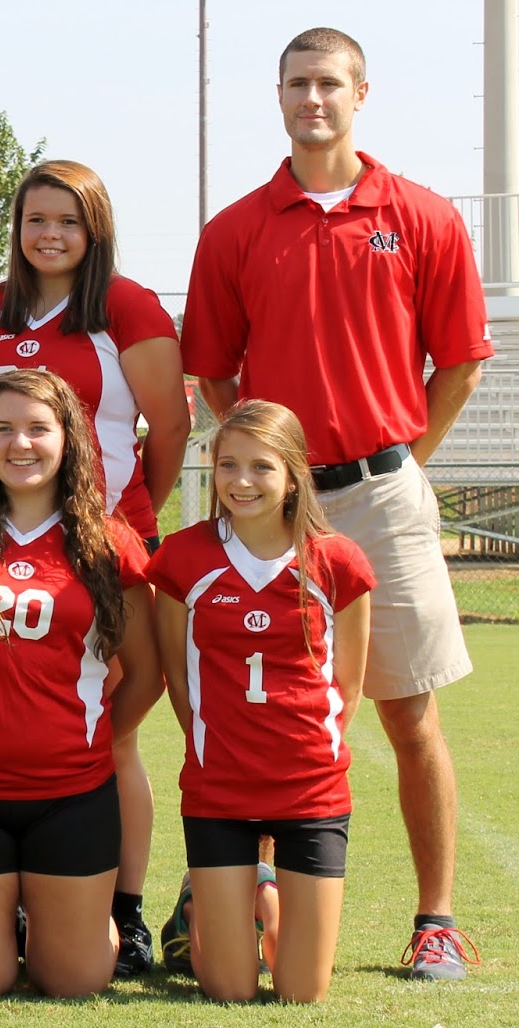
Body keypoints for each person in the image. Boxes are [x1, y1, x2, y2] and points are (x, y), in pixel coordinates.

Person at [182, 25, 491, 980]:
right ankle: (247, 895)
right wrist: (267, 473)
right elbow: (212, 377)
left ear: (362, 93)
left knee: (407, 714)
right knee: (256, 713)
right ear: (277, 97)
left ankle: (434, 919)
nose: (312, 99)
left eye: (329, 83)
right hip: (270, 511)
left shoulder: (423, 214)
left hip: (383, 498)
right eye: (296, 84)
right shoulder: (235, 228)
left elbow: (463, 365)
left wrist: (398, 463)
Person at [0, 159, 189, 974]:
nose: (51, 235)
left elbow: (170, 431)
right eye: (36, 219)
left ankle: (125, 906)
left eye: (69, 221)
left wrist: (112, 524)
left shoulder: (127, 308)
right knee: (11, 714)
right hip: (5, 544)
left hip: (103, 552)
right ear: (16, 228)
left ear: (96, 230)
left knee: (111, 739)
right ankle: (17, 906)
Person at [0, 369, 160, 999]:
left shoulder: (107, 540)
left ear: (69, 438)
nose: (21, 444)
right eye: (3, 427)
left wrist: (97, 737)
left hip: (72, 793)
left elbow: (147, 671)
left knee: (74, 981)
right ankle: (4, 916)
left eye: (39, 428)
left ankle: (81, 920)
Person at [149, 400, 373, 1002]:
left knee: (302, 992)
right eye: (227, 465)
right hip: (218, 790)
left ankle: (264, 893)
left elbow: (345, 687)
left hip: (311, 791)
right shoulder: (183, 557)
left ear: (294, 473)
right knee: (229, 988)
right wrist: (216, 749)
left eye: (260, 467)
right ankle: (199, 909)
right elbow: (177, 675)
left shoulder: (337, 562)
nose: (240, 482)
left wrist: (301, 751)